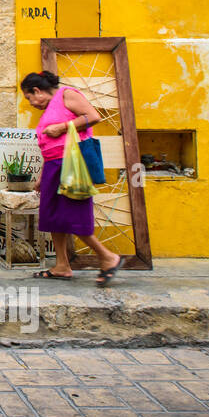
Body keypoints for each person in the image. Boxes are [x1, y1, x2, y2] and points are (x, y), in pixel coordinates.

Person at [20, 70, 123, 286]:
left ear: (37, 90)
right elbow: (48, 147)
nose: (31, 103)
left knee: (72, 215)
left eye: (30, 98)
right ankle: (61, 265)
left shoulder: (67, 94)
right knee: (53, 217)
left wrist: (63, 126)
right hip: (54, 166)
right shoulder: (50, 108)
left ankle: (107, 257)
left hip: (70, 166)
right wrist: (42, 175)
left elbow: (94, 117)